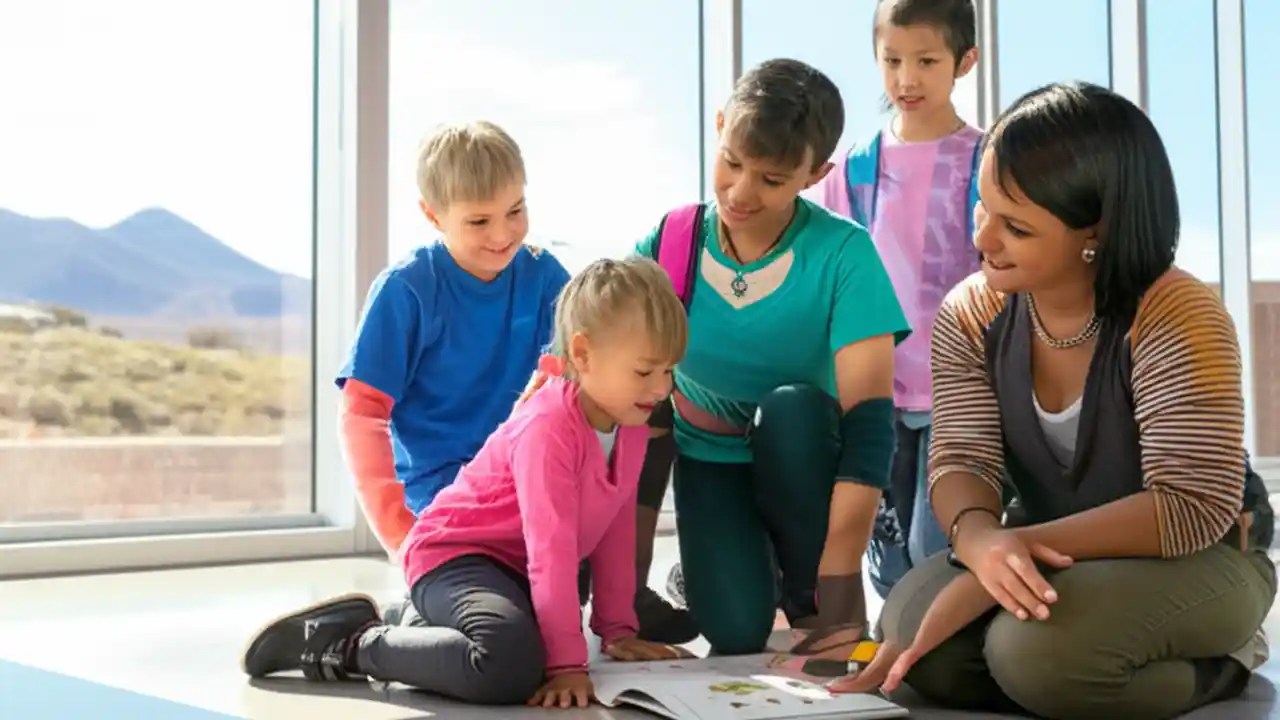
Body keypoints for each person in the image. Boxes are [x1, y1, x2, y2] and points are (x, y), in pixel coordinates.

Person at [829, 82, 1276, 720]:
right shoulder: (972, 311)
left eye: (1016, 227)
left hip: (1200, 554)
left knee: (1036, 655)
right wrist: (981, 540)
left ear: (1095, 232)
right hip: (1061, 554)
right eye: (981, 208)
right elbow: (961, 460)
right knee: (910, 631)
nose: (984, 240)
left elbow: (1192, 507)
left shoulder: (1177, 311)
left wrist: (1014, 550)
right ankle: (1066, 672)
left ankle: (1222, 662)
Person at [241, 257, 694, 707]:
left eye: (669, 370)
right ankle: (350, 643)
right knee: (507, 666)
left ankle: (420, 623)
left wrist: (617, 630)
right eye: (644, 371)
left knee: (542, 638)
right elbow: (550, 548)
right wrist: (567, 668)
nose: (661, 388)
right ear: (582, 354)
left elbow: (615, 530)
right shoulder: (549, 427)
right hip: (453, 555)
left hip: (512, 569)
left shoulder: (632, 424)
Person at [334, 119, 691, 640]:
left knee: (639, 409)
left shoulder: (545, 276)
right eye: (479, 221)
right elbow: (363, 413)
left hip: (537, 480)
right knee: (516, 622)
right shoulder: (407, 290)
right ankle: (413, 610)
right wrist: (401, 536)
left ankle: (623, 596)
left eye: (516, 211)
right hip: (448, 500)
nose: (503, 235)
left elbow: (586, 381)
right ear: (433, 215)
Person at [634, 58, 911, 661]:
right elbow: (615, 384)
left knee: (792, 411)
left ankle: (803, 587)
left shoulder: (843, 254)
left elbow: (868, 432)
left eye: (772, 179)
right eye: (732, 162)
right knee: (735, 633)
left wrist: (840, 593)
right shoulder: (671, 242)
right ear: (719, 124)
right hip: (708, 456)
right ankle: (719, 569)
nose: (740, 193)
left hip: (803, 458)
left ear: (816, 174)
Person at [809, 0, 982, 598]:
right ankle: (904, 655)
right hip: (873, 387)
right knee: (887, 558)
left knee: (936, 549)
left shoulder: (986, 159)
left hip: (957, 387)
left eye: (926, 61)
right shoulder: (856, 168)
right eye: (892, 60)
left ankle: (932, 644)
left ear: (965, 62)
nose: (906, 79)